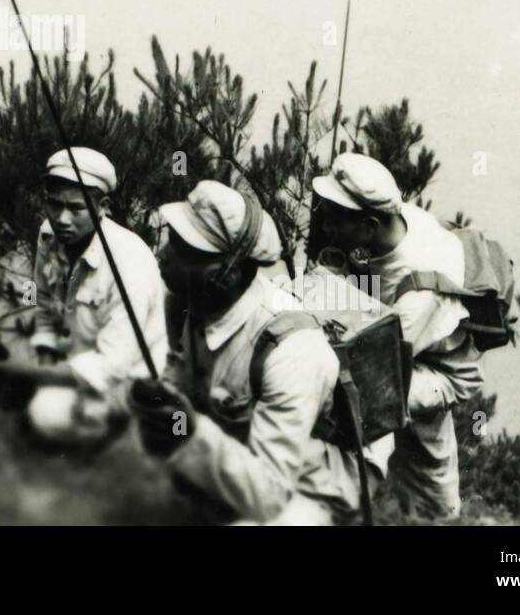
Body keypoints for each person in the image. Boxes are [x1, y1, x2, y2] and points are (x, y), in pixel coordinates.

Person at [131, 179, 385, 525]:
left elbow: (268, 496)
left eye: (183, 249)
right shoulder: (186, 303)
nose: (163, 255)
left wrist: (189, 433)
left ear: (226, 272)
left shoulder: (291, 350)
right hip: (237, 454)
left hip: (313, 485)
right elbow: (184, 381)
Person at [310, 152, 484, 519]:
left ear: (370, 227)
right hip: (397, 339)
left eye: (336, 219)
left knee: (374, 409)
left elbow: (375, 368)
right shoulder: (395, 221)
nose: (326, 226)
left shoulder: (419, 293)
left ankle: (430, 512)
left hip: (436, 371)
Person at [0, 148, 167, 448]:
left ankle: (111, 433)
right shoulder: (49, 234)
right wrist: (41, 370)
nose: (62, 219)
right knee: (3, 342)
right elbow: (44, 309)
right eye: (53, 204)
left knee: (46, 413)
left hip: (129, 379)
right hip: (73, 356)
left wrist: (27, 374)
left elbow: (112, 365)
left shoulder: (129, 262)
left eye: (75, 208)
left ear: (103, 207)